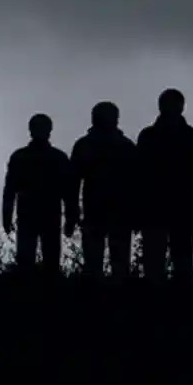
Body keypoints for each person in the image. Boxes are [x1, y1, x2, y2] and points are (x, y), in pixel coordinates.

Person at [135, 88, 193, 281]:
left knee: (182, 266)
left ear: (181, 107)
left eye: (172, 103)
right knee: (153, 266)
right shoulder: (148, 136)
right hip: (154, 209)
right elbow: (138, 175)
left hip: (182, 208)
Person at [2, 113, 78, 276]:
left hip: (44, 216)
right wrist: (6, 216)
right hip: (34, 216)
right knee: (29, 263)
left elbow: (69, 192)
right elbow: (9, 190)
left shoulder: (24, 157)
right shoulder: (55, 157)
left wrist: (71, 218)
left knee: (45, 263)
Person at [70, 101, 139, 280]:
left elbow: (137, 183)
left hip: (117, 214)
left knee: (116, 265)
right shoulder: (123, 146)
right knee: (100, 266)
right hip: (99, 213)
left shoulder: (124, 147)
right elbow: (73, 182)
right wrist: (73, 213)